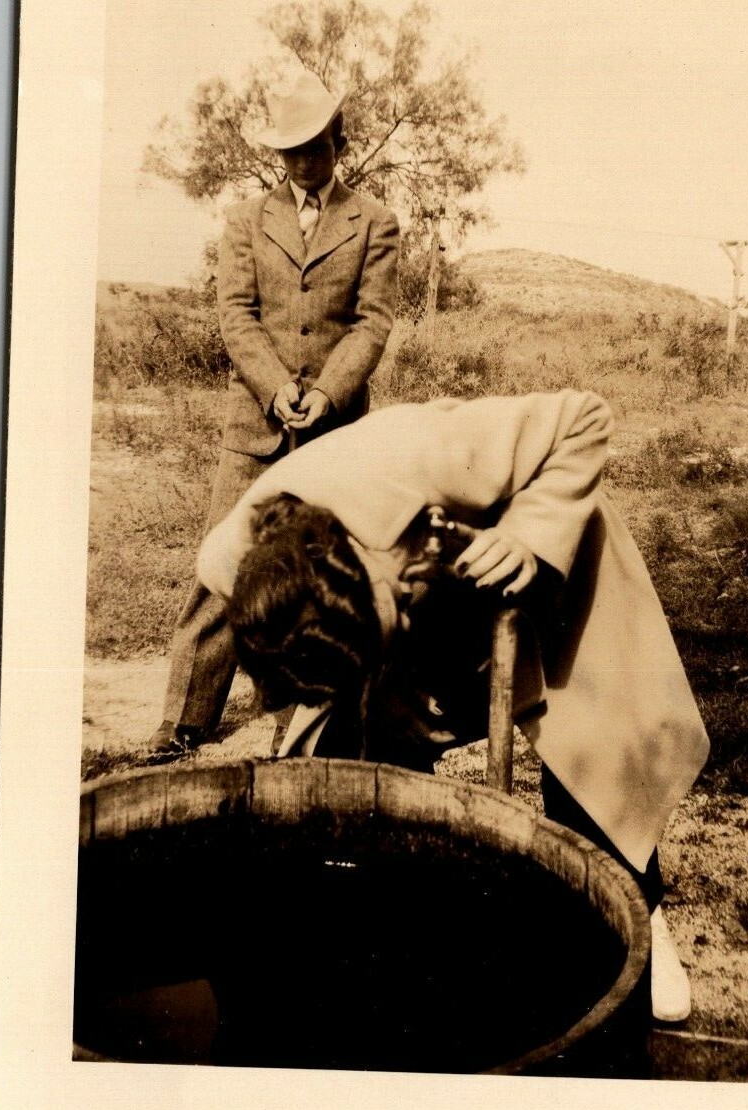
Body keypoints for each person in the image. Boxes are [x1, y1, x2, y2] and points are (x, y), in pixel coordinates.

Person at [197, 389, 710, 1022]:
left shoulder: (424, 455)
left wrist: (529, 536)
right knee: (357, 763)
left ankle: (638, 908)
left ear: (365, 556)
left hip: (547, 550)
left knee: (593, 755)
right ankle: (402, 923)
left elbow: (584, 416)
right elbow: (316, 680)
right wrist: (388, 694)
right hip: (414, 593)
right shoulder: (232, 564)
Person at [149, 66, 400, 758]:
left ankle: (310, 729)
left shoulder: (376, 222)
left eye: (313, 147)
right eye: (288, 150)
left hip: (334, 435)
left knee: (321, 580)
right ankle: (184, 723)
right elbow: (236, 315)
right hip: (254, 432)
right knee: (219, 568)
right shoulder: (244, 222)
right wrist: (272, 388)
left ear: (339, 143)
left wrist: (326, 393)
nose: (300, 162)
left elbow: (373, 323)